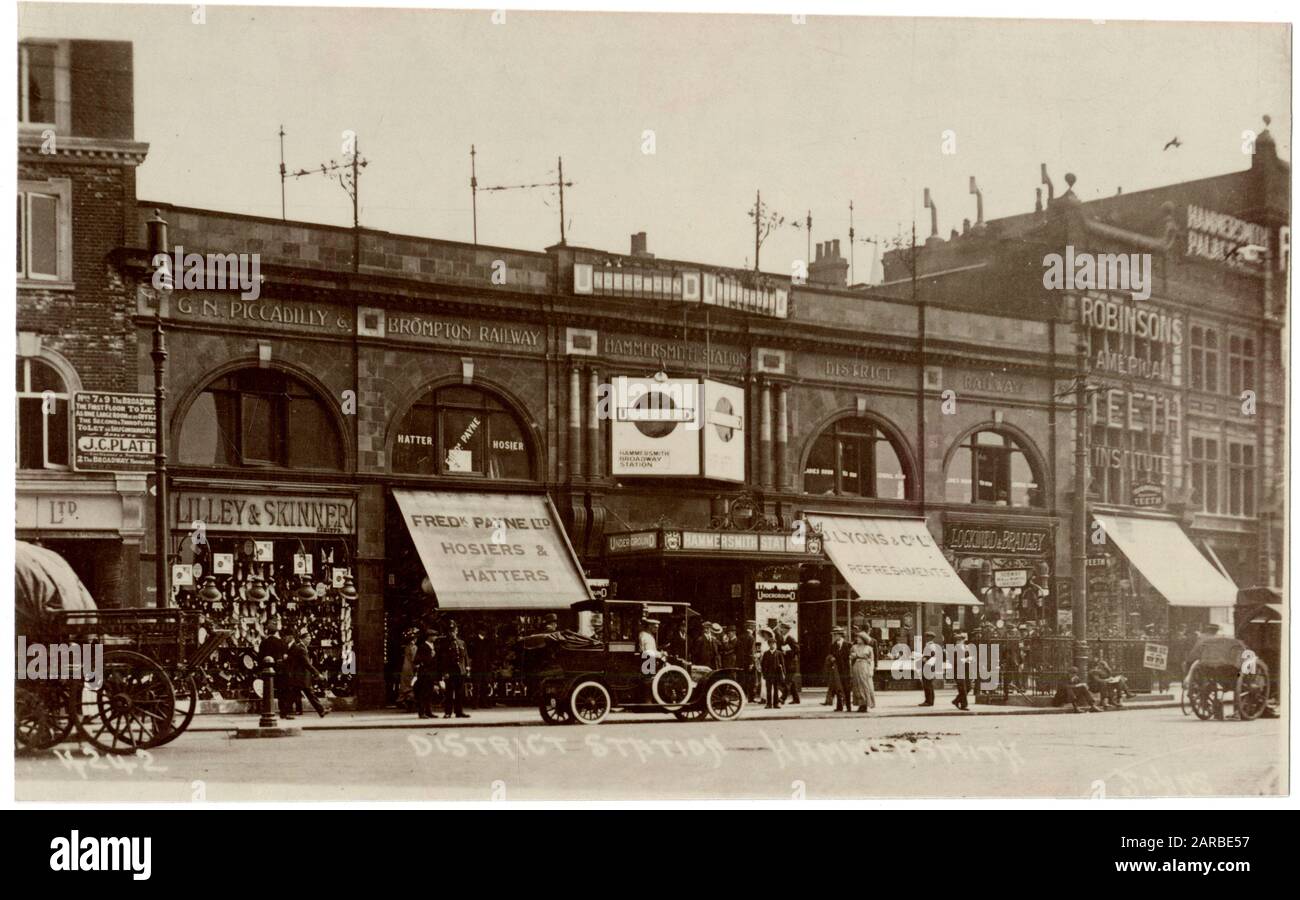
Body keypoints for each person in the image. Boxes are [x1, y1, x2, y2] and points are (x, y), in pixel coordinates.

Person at [281, 629, 328, 718]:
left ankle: (321, 711)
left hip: (299, 677)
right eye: (307, 638)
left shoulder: (300, 648)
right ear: (302, 639)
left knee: (296, 695)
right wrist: (317, 674)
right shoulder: (301, 649)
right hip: (301, 677)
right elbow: (307, 664)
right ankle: (321, 711)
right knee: (304, 695)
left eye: (310, 638)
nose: (309, 640)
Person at [437, 620, 470, 719]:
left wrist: (467, 668)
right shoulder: (444, 643)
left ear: (457, 631)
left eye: (454, 631)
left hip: (461, 671)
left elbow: (465, 657)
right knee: (449, 693)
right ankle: (448, 712)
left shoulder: (462, 642)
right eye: (450, 631)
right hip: (450, 671)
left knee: (460, 693)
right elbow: (442, 659)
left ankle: (459, 712)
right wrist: (444, 672)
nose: (452, 633)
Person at [468, 621, 495, 709]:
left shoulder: (488, 641)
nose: (485, 632)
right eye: (483, 630)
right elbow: (471, 654)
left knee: (485, 686)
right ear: (479, 631)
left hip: (486, 667)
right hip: (477, 667)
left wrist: (490, 665)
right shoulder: (473, 641)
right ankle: (475, 703)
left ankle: (484, 703)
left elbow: (491, 654)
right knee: (476, 686)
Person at [413, 629, 439, 719]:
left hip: (431, 673)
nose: (435, 637)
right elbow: (417, 660)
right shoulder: (422, 646)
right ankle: (421, 712)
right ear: (429, 637)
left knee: (429, 693)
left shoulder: (433, 646)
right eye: (434, 636)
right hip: (424, 673)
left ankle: (429, 711)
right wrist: (429, 657)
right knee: (423, 693)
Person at [824, 628, 850, 710]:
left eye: (835, 634)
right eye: (833, 635)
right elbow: (830, 655)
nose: (834, 636)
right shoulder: (833, 645)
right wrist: (831, 658)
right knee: (837, 687)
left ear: (840, 635)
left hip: (845, 669)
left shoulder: (847, 644)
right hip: (836, 668)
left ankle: (848, 706)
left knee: (846, 687)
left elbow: (848, 656)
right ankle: (839, 706)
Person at [850, 632, 876, 713]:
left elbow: (872, 660)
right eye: (857, 638)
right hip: (856, 666)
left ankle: (866, 703)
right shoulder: (854, 647)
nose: (857, 639)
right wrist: (852, 657)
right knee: (857, 685)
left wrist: (871, 670)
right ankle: (860, 704)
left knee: (866, 685)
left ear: (863, 639)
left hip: (865, 667)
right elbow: (850, 658)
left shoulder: (869, 648)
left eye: (859, 638)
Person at [760, 629, 785, 708]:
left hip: (776, 674)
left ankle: (776, 703)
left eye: (773, 644)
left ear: (775, 644)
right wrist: (764, 674)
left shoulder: (779, 653)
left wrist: (783, 673)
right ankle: (768, 704)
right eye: (770, 644)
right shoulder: (766, 653)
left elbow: (782, 664)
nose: (772, 645)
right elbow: (763, 664)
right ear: (768, 645)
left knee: (776, 690)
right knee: (768, 690)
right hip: (768, 674)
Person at [778, 624, 801, 704]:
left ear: (787, 630)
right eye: (781, 629)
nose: (781, 630)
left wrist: (787, 652)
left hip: (791, 664)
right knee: (791, 682)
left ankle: (782, 698)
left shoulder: (790, 638)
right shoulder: (782, 638)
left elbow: (797, 650)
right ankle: (796, 699)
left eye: (782, 629)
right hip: (786, 664)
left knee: (788, 682)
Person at [738, 621, 760, 702]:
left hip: (742, 662)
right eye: (754, 626)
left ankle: (743, 696)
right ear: (751, 627)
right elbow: (751, 651)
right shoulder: (751, 637)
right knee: (752, 680)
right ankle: (751, 698)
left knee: (744, 679)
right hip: (749, 662)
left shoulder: (741, 636)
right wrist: (751, 663)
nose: (755, 628)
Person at [397, 628, 418, 711]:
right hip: (411, 668)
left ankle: (402, 699)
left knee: (405, 685)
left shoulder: (406, 647)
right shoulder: (414, 647)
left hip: (405, 667)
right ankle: (410, 704)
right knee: (411, 685)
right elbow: (414, 658)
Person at [919, 631, 942, 706]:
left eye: (927, 637)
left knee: (927, 684)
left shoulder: (930, 646)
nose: (926, 638)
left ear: (930, 638)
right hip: (930, 666)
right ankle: (930, 700)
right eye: (926, 636)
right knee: (929, 684)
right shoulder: (931, 645)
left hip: (928, 667)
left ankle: (928, 701)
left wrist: (923, 659)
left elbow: (930, 656)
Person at [950, 632, 971, 711]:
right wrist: (964, 660)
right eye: (958, 640)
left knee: (969, 687)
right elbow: (954, 661)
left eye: (961, 640)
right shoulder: (954, 649)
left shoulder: (965, 648)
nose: (959, 642)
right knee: (963, 689)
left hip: (966, 670)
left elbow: (970, 656)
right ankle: (964, 705)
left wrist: (970, 659)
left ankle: (956, 701)